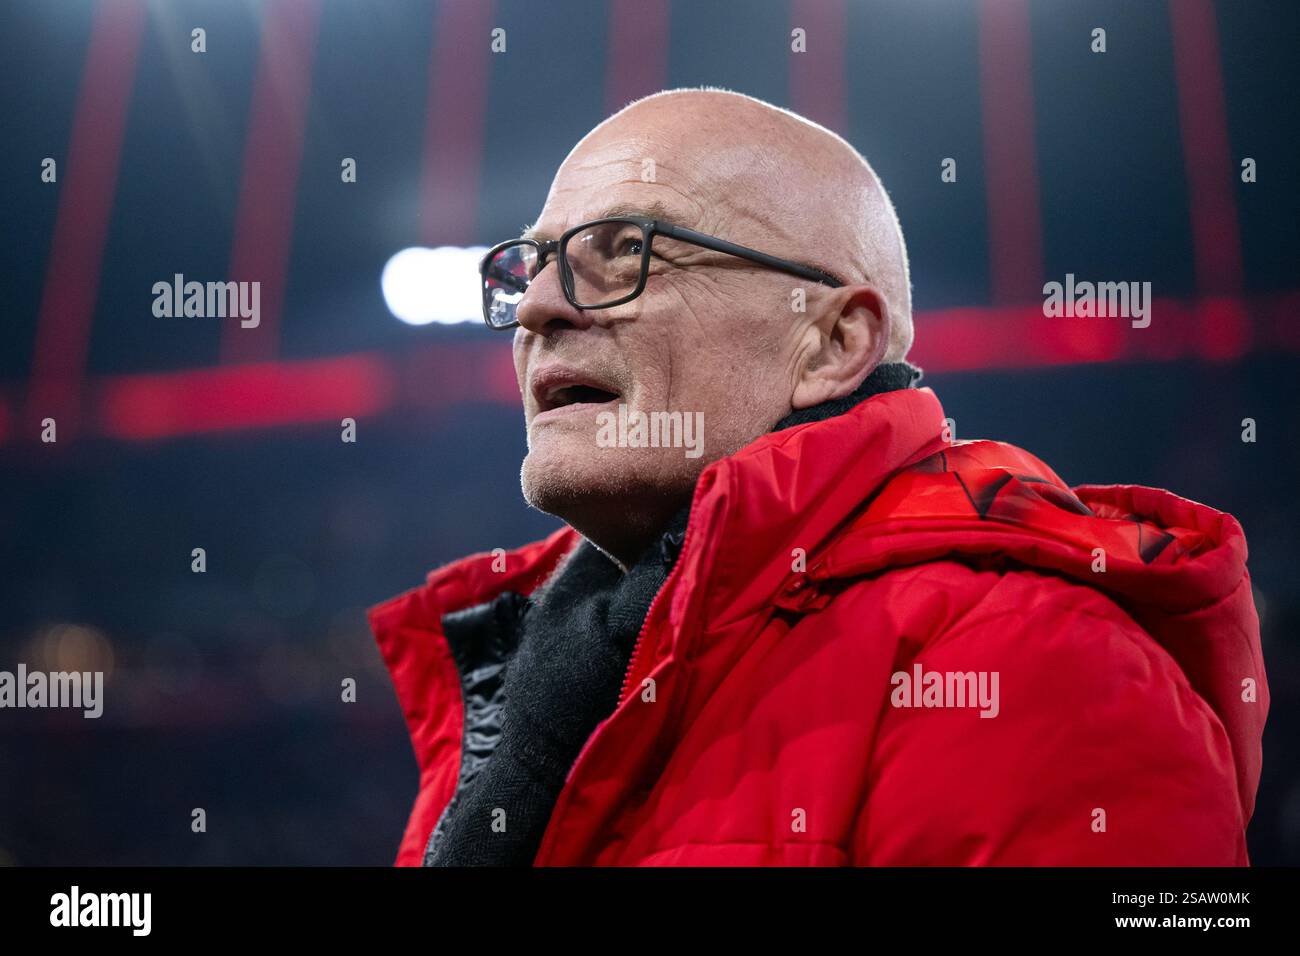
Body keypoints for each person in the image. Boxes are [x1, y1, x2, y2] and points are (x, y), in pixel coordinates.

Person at [368, 88, 1267, 866]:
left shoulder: (1044, 670)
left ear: (832, 343)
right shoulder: (534, 688)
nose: (534, 307)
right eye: (531, 265)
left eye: (624, 253)